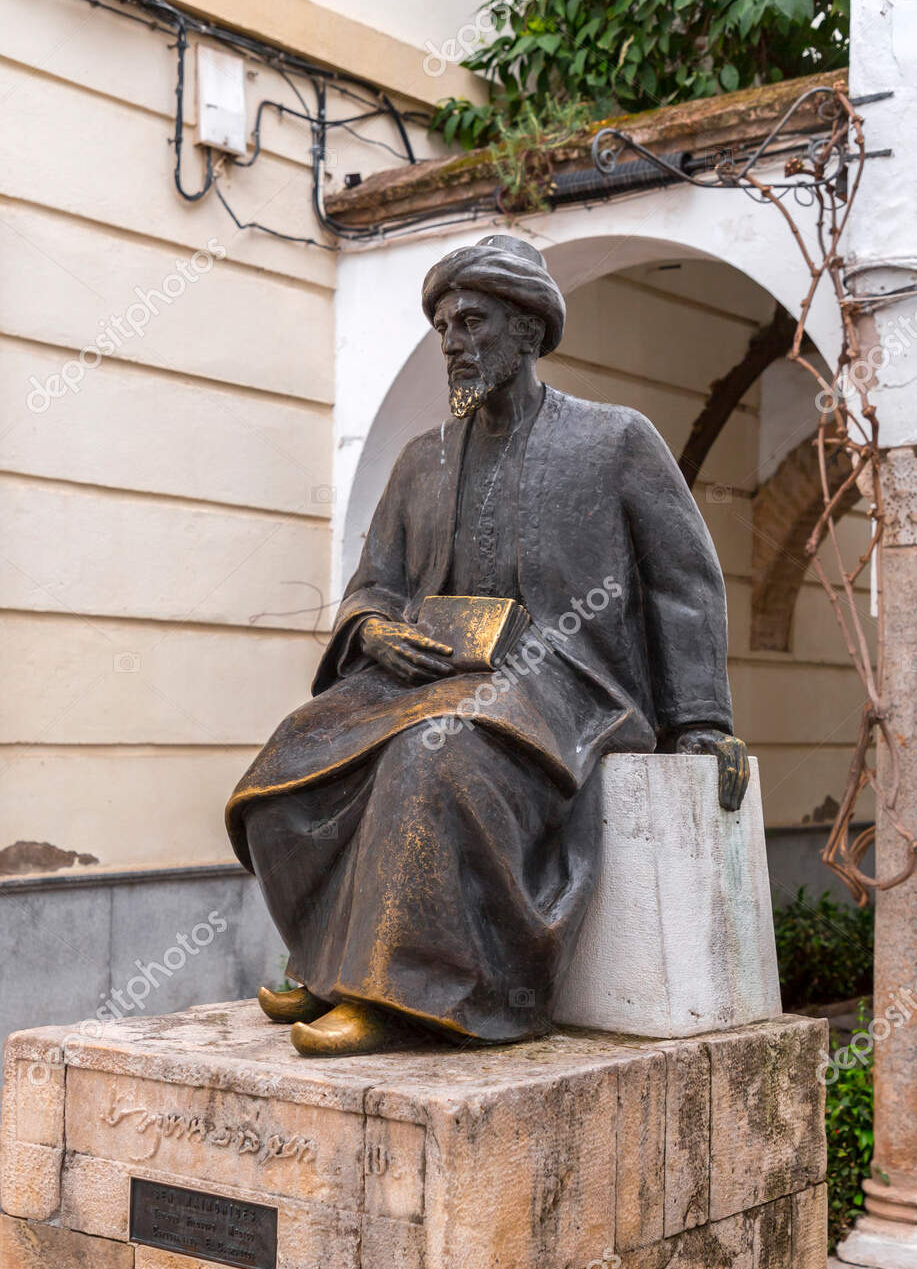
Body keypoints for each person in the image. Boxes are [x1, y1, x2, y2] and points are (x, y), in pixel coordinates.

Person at [227, 235, 747, 1056]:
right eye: (442, 327)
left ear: (528, 331)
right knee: (293, 758)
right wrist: (374, 632)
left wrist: (700, 719)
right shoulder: (420, 460)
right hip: (430, 672)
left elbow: (682, 582)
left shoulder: (614, 440)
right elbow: (375, 584)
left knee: (433, 758)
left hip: (569, 680)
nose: (453, 342)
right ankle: (329, 960)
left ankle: (400, 992)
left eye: (471, 321)